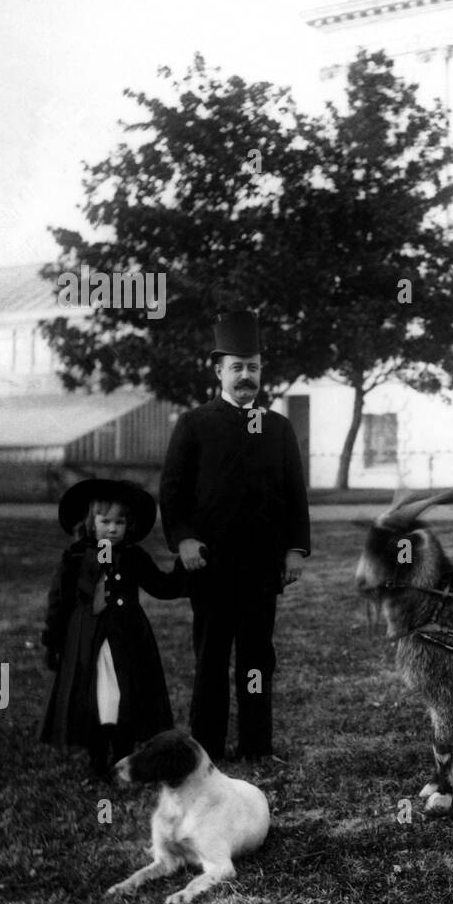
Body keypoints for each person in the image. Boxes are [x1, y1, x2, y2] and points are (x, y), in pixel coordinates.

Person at [160, 309, 310, 761]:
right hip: (210, 567)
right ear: (219, 371)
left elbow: (294, 495)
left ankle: (257, 746)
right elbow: (172, 491)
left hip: (262, 570)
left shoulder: (278, 428)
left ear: (262, 371)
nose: (246, 376)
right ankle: (205, 749)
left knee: (257, 660)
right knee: (210, 660)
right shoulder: (194, 424)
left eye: (254, 367)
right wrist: (183, 539)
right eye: (237, 367)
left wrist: (295, 549)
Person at [39, 479, 184, 776]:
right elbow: (60, 602)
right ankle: (96, 762)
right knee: (95, 700)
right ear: (91, 522)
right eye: (105, 521)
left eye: (120, 522)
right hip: (87, 640)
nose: (112, 528)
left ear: (128, 525)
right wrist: (53, 641)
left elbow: (162, 586)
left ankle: (123, 760)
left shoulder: (134, 556)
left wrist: (186, 567)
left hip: (128, 640)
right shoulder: (76, 557)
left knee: (125, 697)